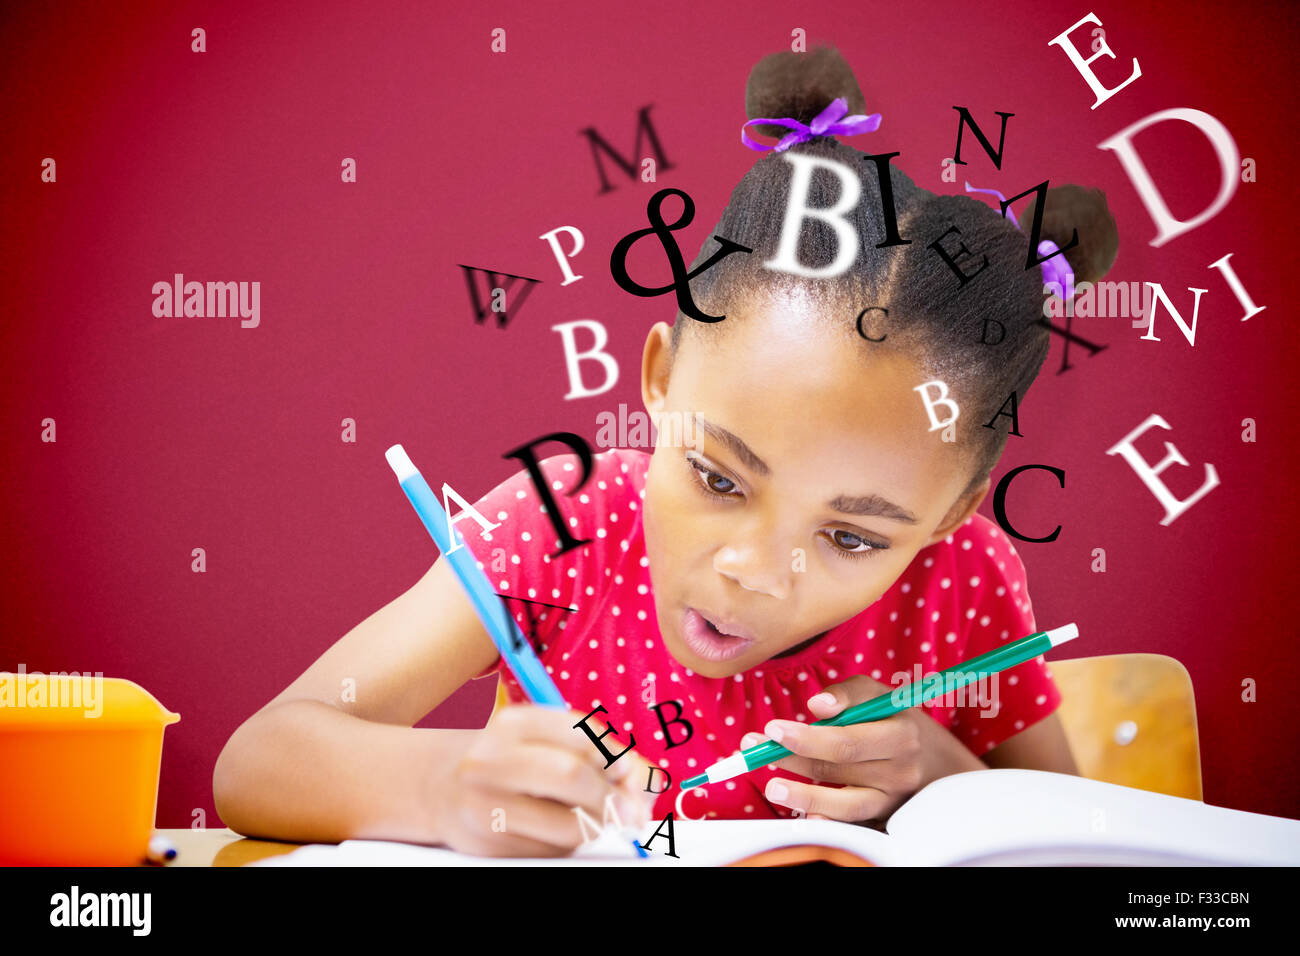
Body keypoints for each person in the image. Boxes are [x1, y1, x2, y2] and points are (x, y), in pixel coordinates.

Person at [214, 45, 1117, 857]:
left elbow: (1080, 839)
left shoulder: (966, 578)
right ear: (659, 380)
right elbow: (258, 761)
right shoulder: (555, 522)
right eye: (719, 477)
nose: (758, 571)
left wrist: (943, 774)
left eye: (852, 537)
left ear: (951, 515)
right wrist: (446, 789)